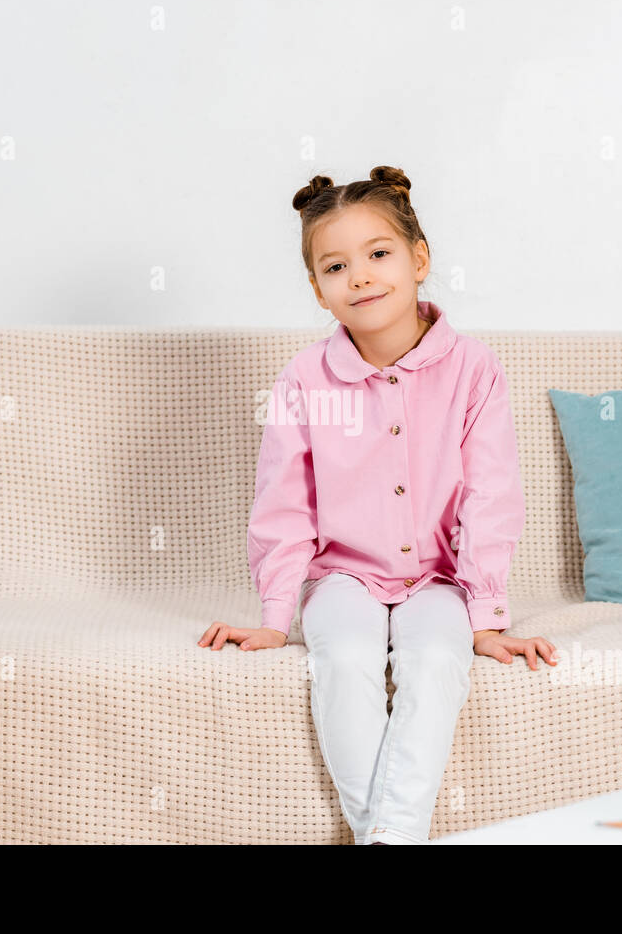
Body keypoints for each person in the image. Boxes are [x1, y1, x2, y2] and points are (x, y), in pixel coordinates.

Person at [198, 165, 557, 845]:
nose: (360, 276)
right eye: (336, 265)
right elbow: (282, 504)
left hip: (439, 580)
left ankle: (383, 835)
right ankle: (391, 836)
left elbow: (491, 495)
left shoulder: (474, 368)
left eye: (379, 254)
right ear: (318, 289)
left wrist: (485, 615)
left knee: (432, 661)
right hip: (342, 575)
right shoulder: (303, 380)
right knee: (345, 657)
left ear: (419, 259)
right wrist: (277, 615)